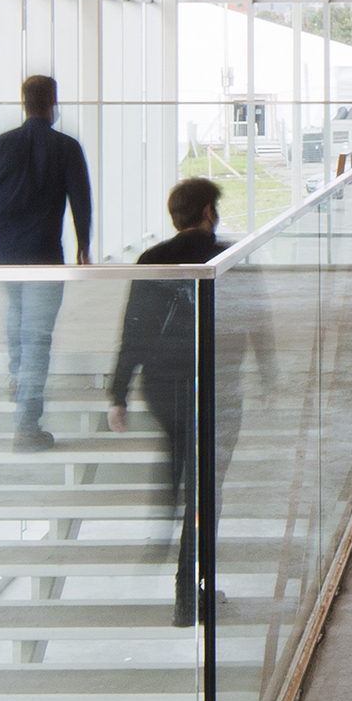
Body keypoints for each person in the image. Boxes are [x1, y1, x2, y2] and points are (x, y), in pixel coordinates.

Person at [105, 176, 264, 628]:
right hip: (216, 387)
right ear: (209, 213)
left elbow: (134, 329)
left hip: (163, 388)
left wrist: (118, 393)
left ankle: (170, 517)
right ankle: (190, 588)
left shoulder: (151, 259)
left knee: (183, 467)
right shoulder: (230, 257)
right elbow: (256, 318)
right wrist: (268, 372)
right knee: (207, 489)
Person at [0, 74, 92, 449]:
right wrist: (83, 247)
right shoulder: (66, 147)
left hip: (4, 252)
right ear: (53, 104)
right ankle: (26, 426)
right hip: (43, 253)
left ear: (23, 104)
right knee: (37, 337)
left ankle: (16, 377)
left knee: (18, 313)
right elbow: (81, 201)